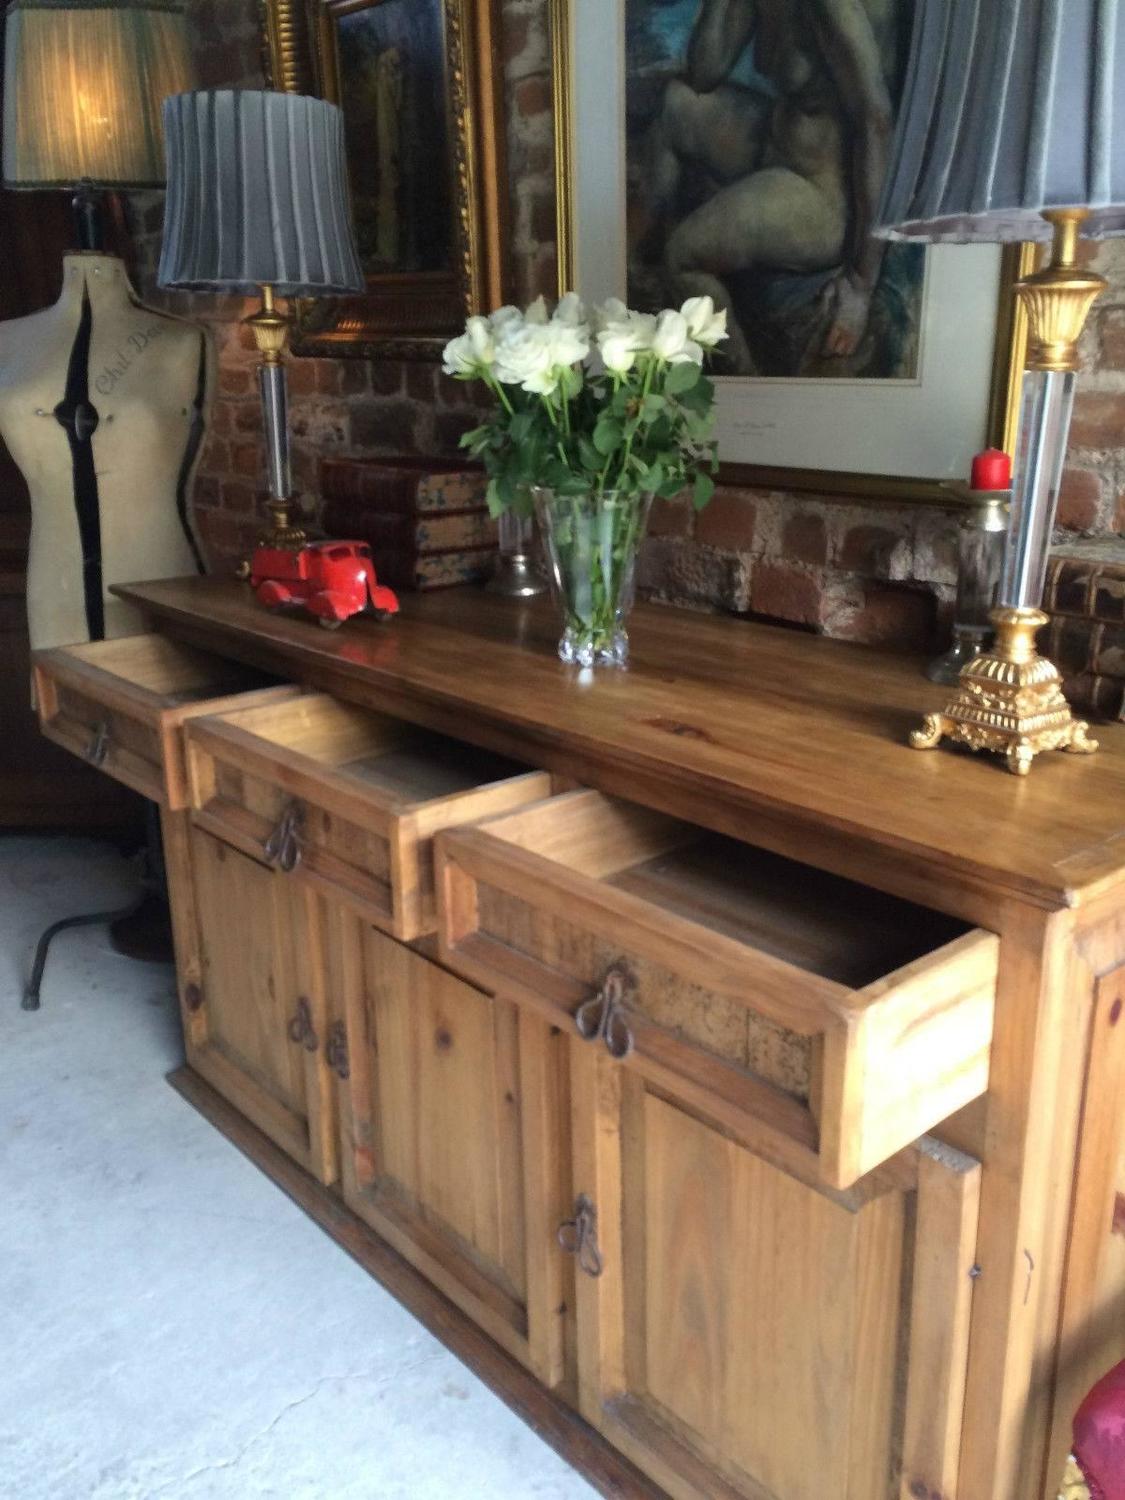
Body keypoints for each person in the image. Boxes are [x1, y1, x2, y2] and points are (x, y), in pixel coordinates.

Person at [646, 0, 899, 373]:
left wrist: (861, 285)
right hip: (777, 141)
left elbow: (876, 121)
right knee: (676, 104)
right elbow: (704, 71)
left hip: (825, 195)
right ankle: (649, 261)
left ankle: (747, 386)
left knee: (681, 257)